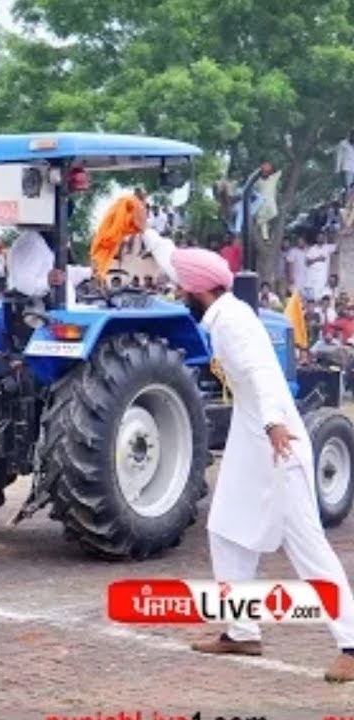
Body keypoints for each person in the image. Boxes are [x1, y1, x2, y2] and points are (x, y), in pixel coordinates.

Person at [141, 228, 354, 683]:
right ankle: (241, 630)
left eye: (181, 282)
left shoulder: (233, 323)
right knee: (226, 530)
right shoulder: (223, 312)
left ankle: (351, 643)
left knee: (306, 544)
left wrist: (275, 422)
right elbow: (174, 258)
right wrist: (146, 231)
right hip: (253, 439)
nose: (175, 285)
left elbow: (263, 374)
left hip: (276, 442)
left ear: (197, 289)